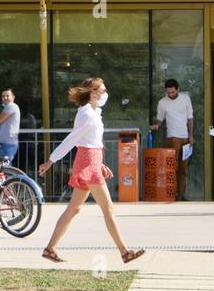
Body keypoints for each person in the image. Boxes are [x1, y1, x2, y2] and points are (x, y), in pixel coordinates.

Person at [37, 76, 145, 264]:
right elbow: (72, 140)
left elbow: (91, 142)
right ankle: (125, 252)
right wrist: (50, 161)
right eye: (102, 90)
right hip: (88, 163)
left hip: (90, 162)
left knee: (74, 209)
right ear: (93, 93)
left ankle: (50, 248)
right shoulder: (86, 113)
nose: (105, 94)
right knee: (108, 208)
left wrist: (100, 164)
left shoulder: (93, 112)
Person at [150, 79, 194, 201]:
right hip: (172, 137)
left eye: (173, 92)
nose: (170, 95)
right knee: (172, 167)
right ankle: (172, 194)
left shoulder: (185, 99)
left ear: (178, 89)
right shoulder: (162, 102)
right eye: (168, 93)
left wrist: (191, 136)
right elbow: (160, 119)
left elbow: (190, 118)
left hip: (185, 137)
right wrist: (157, 125)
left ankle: (181, 194)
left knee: (183, 168)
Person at [0, 88, 21, 166]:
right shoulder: (6, 108)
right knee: (2, 169)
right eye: (3, 96)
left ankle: (19, 178)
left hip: (8, 144)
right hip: (3, 144)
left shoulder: (12, 106)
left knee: (6, 169)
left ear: (13, 97)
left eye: (7, 96)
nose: (5, 98)